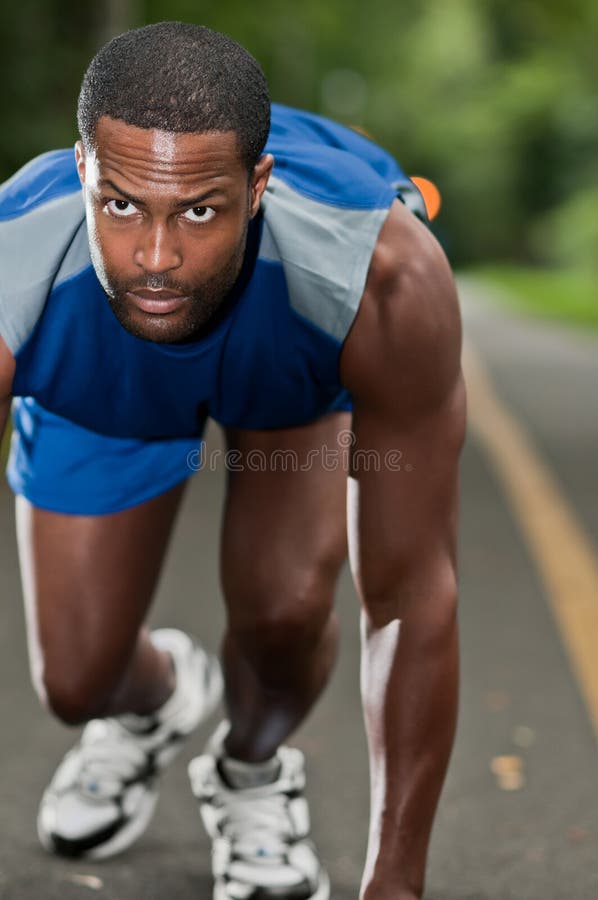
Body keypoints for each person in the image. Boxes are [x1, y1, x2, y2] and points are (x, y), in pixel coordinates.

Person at [0, 21, 465, 900]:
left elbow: (410, 599)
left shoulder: (383, 279)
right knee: (74, 681)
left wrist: (394, 887)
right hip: (100, 381)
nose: (156, 259)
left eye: (200, 210)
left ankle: (251, 772)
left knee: (287, 608)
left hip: (284, 370)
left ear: (258, 185)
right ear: (80, 171)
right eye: (122, 203)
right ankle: (163, 698)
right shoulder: (12, 268)